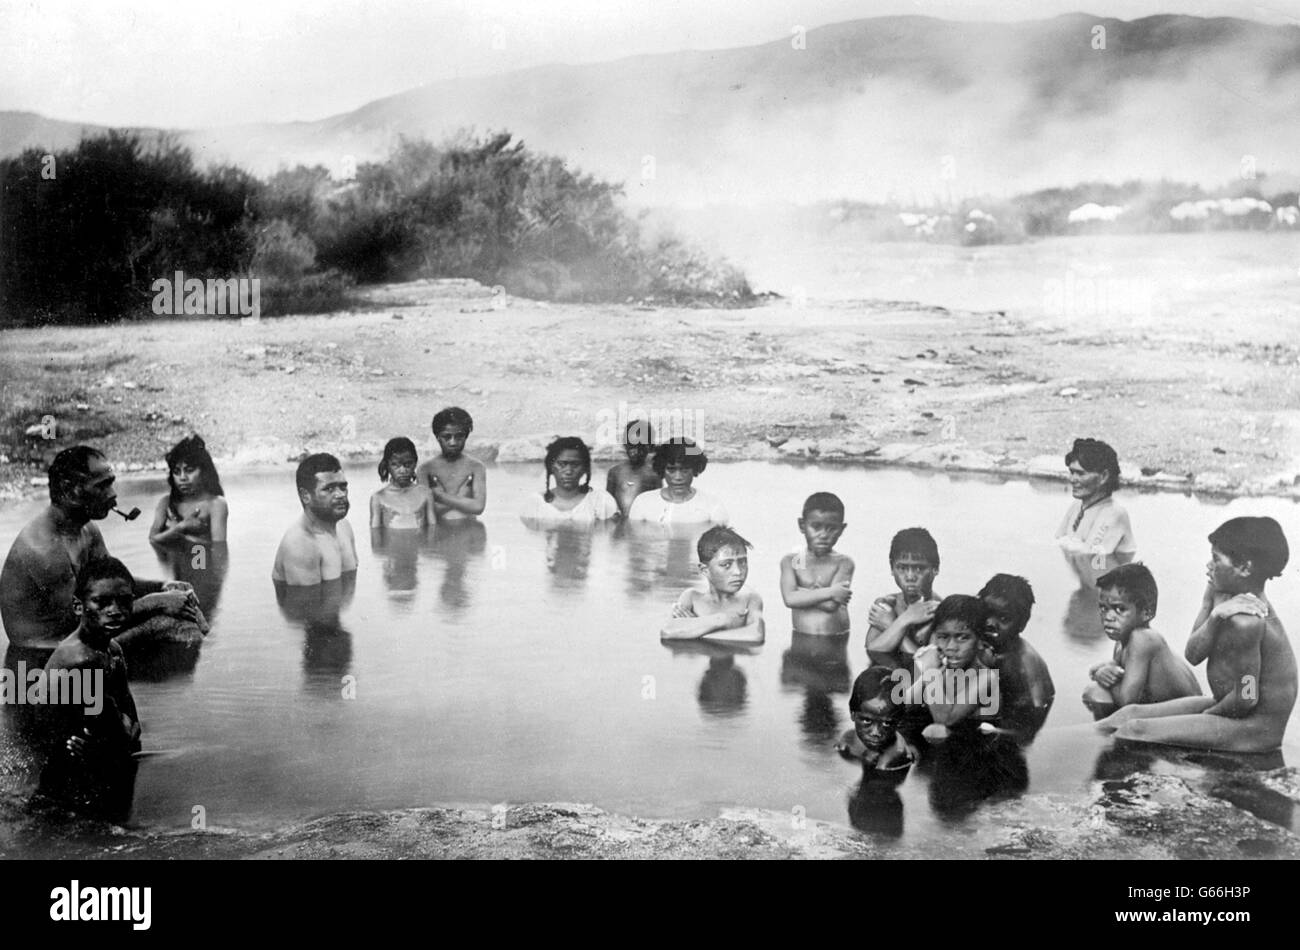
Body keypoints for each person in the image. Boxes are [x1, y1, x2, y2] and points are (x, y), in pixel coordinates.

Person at [1099, 518, 1297, 752]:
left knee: (1135, 730)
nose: (1208, 566)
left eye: (1216, 559)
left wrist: (1205, 715)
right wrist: (1214, 617)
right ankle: (1051, 740)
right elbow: (1193, 654)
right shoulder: (1219, 591)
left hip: (1255, 728)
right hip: (1227, 706)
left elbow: (1247, 695)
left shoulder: (1248, 623)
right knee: (1127, 715)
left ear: (1245, 568)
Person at [0, 446, 203, 667]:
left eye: (111, 482)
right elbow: (85, 621)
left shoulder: (87, 530)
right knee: (174, 627)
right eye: (102, 485)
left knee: (187, 614)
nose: (113, 494)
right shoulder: (43, 550)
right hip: (45, 657)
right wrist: (159, 603)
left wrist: (163, 586)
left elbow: (113, 587)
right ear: (70, 490)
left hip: (80, 638)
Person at [37, 557, 142, 819]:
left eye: (124, 600)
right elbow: (118, 732)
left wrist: (119, 737)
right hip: (69, 779)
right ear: (78, 606)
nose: (115, 611)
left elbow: (131, 723)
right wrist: (118, 737)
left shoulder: (112, 649)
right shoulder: (80, 659)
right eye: (102, 602)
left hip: (94, 761)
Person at [1082, 564, 1200, 718]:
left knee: (1095, 692)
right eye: (1103, 608)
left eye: (1119, 609)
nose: (1108, 617)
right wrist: (1101, 671)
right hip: (1166, 713)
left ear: (1147, 612)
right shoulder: (1122, 642)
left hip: (1191, 716)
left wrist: (1099, 675)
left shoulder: (1143, 638)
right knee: (1094, 692)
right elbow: (1119, 673)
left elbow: (1127, 702)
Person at [906, 595, 998, 738]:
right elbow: (903, 707)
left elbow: (945, 720)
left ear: (980, 640)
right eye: (943, 637)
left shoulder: (986, 677)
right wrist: (924, 674)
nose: (951, 647)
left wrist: (930, 672)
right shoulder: (942, 667)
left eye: (962, 638)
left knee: (938, 731)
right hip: (941, 747)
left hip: (972, 749)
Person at [978, 574, 1054, 738]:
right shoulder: (979, 644)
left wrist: (998, 732)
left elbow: (1036, 714)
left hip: (1010, 727)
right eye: (986, 613)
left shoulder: (1026, 662)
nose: (990, 623)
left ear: (1022, 623)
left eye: (1004, 618)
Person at [661, 526, 764, 643]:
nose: (738, 572)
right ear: (705, 570)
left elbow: (755, 635)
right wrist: (722, 619)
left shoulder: (750, 599)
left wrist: (697, 630)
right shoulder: (692, 597)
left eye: (742, 562)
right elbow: (667, 631)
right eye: (726, 564)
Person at [1055, 437, 1136, 585]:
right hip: (1086, 582)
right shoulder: (1076, 506)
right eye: (1071, 472)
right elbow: (1058, 542)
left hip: (1104, 588)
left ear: (1104, 476)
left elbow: (1094, 559)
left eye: (1080, 474)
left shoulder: (1114, 513)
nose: (1073, 479)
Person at [272, 453, 358, 586]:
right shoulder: (301, 546)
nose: (340, 495)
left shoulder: (344, 527)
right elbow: (308, 606)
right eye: (329, 489)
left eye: (343, 487)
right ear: (306, 496)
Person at [780, 492, 854, 636]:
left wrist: (799, 593)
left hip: (835, 639)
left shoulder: (844, 563)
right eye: (816, 527)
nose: (824, 535)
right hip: (801, 638)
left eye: (831, 528)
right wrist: (830, 592)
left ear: (842, 529)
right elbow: (789, 599)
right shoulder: (792, 562)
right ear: (802, 525)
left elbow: (831, 605)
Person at [864, 527, 941, 666]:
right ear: (892, 568)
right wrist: (905, 620)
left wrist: (893, 624)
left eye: (919, 568)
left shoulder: (941, 611)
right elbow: (872, 649)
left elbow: (927, 666)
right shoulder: (888, 603)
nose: (910, 576)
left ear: (935, 569)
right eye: (903, 568)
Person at [148, 435, 228, 548]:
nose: (182, 478)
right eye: (176, 472)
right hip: (174, 565)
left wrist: (178, 534)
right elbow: (152, 539)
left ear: (204, 471)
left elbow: (219, 550)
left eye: (189, 470)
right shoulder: (166, 503)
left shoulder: (216, 504)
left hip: (203, 564)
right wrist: (181, 528)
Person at [628, 439, 728, 526]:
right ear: (662, 469)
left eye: (684, 470)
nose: (678, 477)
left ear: (695, 469)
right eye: (671, 470)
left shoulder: (713, 506)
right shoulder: (643, 503)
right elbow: (636, 544)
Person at [836, 667, 917, 772]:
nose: (875, 732)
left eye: (886, 723)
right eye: (866, 721)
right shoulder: (848, 739)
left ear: (899, 721)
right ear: (852, 714)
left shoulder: (892, 759)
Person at [522, 437, 619, 524]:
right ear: (551, 467)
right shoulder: (536, 503)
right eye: (562, 464)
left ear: (584, 468)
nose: (568, 471)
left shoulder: (600, 501)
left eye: (575, 464)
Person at [416, 407, 486, 522]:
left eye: (459, 436)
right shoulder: (425, 469)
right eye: (447, 437)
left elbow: (478, 507)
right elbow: (426, 511)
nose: (453, 442)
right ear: (437, 437)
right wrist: (461, 497)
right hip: (439, 530)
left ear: (466, 436)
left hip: (470, 532)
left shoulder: (476, 467)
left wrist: (439, 496)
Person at [369, 437, 433, 530]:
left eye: (408, 464)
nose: (402, 470)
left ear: (415, 463)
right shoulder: (378, 498)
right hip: (392, 544)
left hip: (420, 544)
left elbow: (432, 531)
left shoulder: (426, 494)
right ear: (387, 466)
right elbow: (376, 536)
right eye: (395, 465)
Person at [605, 419, 662, 517]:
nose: (635, 451)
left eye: (640, 446)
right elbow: (607, 504)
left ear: (650, 447)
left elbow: (658, 505)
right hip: (620, 525)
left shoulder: (654, 474)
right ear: (624, 445)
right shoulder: (615, 472)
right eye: (631, 446)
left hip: (643, 524)